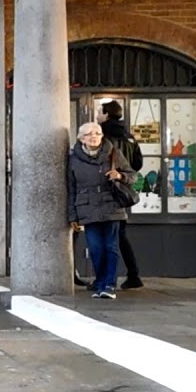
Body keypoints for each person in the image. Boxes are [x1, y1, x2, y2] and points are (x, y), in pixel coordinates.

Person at [67, 122, 137, 300]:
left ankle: (108, 284)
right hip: (87, 206)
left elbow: (132, 176)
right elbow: (71, 188)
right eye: (89, 134)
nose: (94, 136)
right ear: (81, 138)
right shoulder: (73, 158)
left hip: (111, 204)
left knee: (110, 246)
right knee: (95, 248)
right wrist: (72, 215)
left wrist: (119, 176)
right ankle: (100, 281)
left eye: (97, 133)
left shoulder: (113, 153)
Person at [98, 100, 145, 290]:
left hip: (106, 188)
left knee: (108, 236)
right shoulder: (130, 137)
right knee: (120, 233)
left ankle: (109, 278)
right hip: (122, 190)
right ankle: (132, 274)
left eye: (99, 112)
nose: (97, 115)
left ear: (106, 114)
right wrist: (125, 176)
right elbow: (137, 164)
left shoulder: (103, 136)